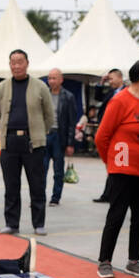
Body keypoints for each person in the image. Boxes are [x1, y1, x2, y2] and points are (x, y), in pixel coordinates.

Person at [94, 59, 139, 278]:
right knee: (116, 216)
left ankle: (134, 261)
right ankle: (104, 260)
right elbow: (101, 137)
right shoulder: (120, 101)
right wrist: (111, 163)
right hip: (123, 171)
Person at [0, 49, 55, 237]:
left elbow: (49, 115)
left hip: (33, 143)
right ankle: (12, 223)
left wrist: (38, 133)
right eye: (13, 62)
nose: (16, 65)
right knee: (11, 186)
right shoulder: (2, 87)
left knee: (37, 185)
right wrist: (5, 129)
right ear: (9, 64)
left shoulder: (40, 86)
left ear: (27, 63)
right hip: (9, 142)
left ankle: (39, 223)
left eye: (20, 61)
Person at [45, 68, 82, 207]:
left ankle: (55, 197)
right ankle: (39, 197)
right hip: (45, 135)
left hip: (59, 137)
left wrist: (70, 143)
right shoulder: (44, 95)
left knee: (58, 171)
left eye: (54, 78)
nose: (51, 81)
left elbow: (72, 122)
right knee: (41, 170)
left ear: (61, 80)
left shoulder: (68, 96)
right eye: (49, 78)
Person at [92, 69, 127, 202]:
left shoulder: (127, 92)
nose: (110, 82)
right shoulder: (111, 93)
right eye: (109, 79)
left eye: (112, 79)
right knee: (110, 164)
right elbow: (98, 97)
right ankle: (108, 194)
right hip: (108, 131)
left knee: (118, 165)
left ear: (120, 78)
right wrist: (101, 82)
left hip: (120, 134)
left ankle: (114, 194)